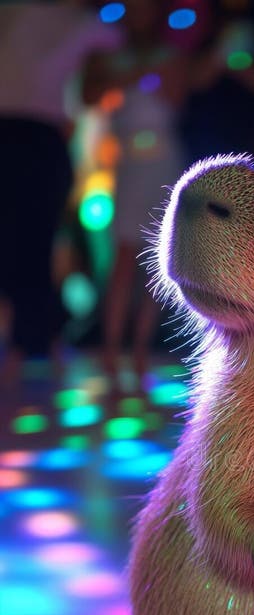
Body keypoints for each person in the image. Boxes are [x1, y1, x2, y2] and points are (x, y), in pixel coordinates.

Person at [0, 0, 120, 385]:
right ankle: (31, 340)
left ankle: (32, 341)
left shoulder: (87, 24)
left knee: (36, 243)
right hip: (23, 136)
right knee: (21, 243)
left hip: (42, 140)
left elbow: (94, 86)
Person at [82, 0, 186, 391]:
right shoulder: (105, 55)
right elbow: (88, 95)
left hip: (162, 159)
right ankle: (111, 349)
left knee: (155, 258)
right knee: (123, 257)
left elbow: (177, 98)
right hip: (126, 163)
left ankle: (142, 348)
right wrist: (136, 74)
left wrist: (136, 75)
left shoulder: (170, 55)